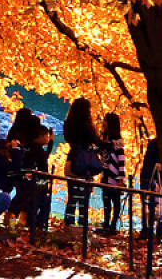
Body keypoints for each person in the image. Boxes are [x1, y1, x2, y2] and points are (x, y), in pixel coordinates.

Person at [63, 97, 111, 227]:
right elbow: (98, 143)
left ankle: (69, 224)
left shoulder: (68, 124)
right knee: (84, 198)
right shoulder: (86, 127)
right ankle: (82, 228)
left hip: (71, 161)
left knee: (72, 196)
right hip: (84, 163)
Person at [98, 112, 126, 235]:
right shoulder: (104, 140)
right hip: (105, 174)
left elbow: (121, 160)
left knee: (115, 200)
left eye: (105, 121)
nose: (103, 123)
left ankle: (113, 226)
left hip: (114, 176)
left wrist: (121, 177)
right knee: (105, 200)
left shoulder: (117, 142)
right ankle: (106, 224)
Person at [137, 136, 162, 242]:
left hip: (149, 178)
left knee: (152, 206)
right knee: (156, 206)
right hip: (152, 178)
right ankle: (155, 233)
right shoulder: (157, 144)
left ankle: (148, 231)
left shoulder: (153, 143)